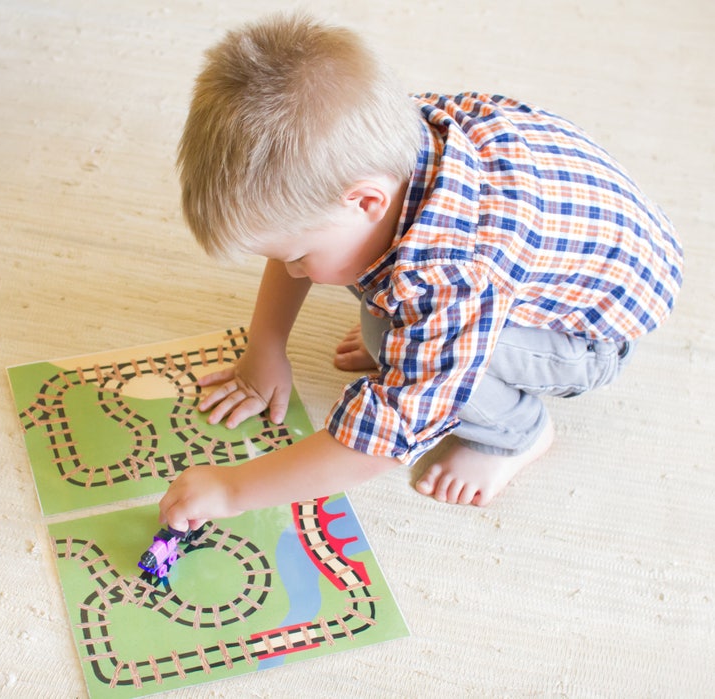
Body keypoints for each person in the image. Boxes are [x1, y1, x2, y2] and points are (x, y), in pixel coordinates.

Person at [159, 13, 683, 531]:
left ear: (366, 201)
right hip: (568, 237)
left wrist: (232, 489)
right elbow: (300, 236)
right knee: (354, 278)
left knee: (390, 335)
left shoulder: (453, 277)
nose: (292, 270)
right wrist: (265, 347)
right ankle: (402, 331)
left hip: (592, 336)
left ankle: (517, 435)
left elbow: (382, 439)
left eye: (296, 257)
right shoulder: (372, 137)